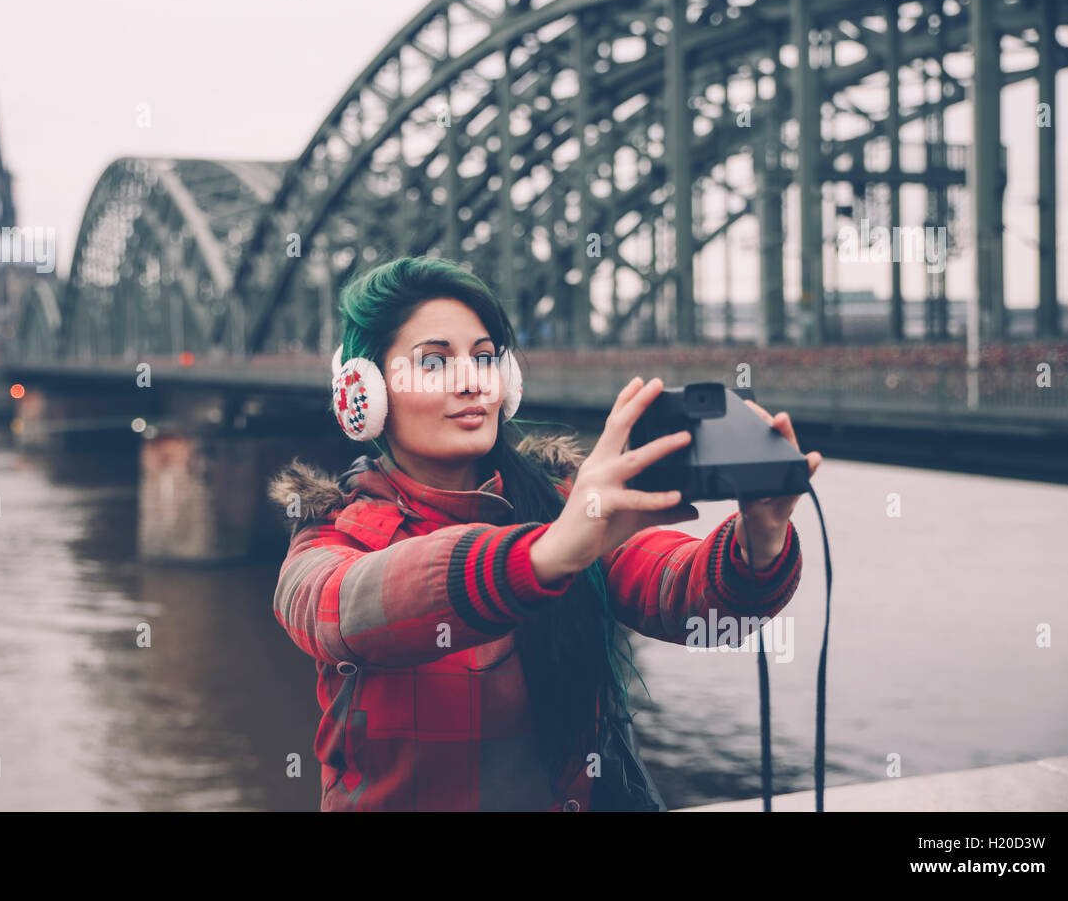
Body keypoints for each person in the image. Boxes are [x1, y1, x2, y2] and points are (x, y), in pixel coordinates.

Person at [267, 256, 822, 811]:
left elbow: (687, 601)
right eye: (433, 362)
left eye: (484, 358)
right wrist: (544, 555)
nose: (471, 380)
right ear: (364, 391)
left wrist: (759, 543)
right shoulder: (333, 537)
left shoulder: (560, 503)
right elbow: (339, 612)